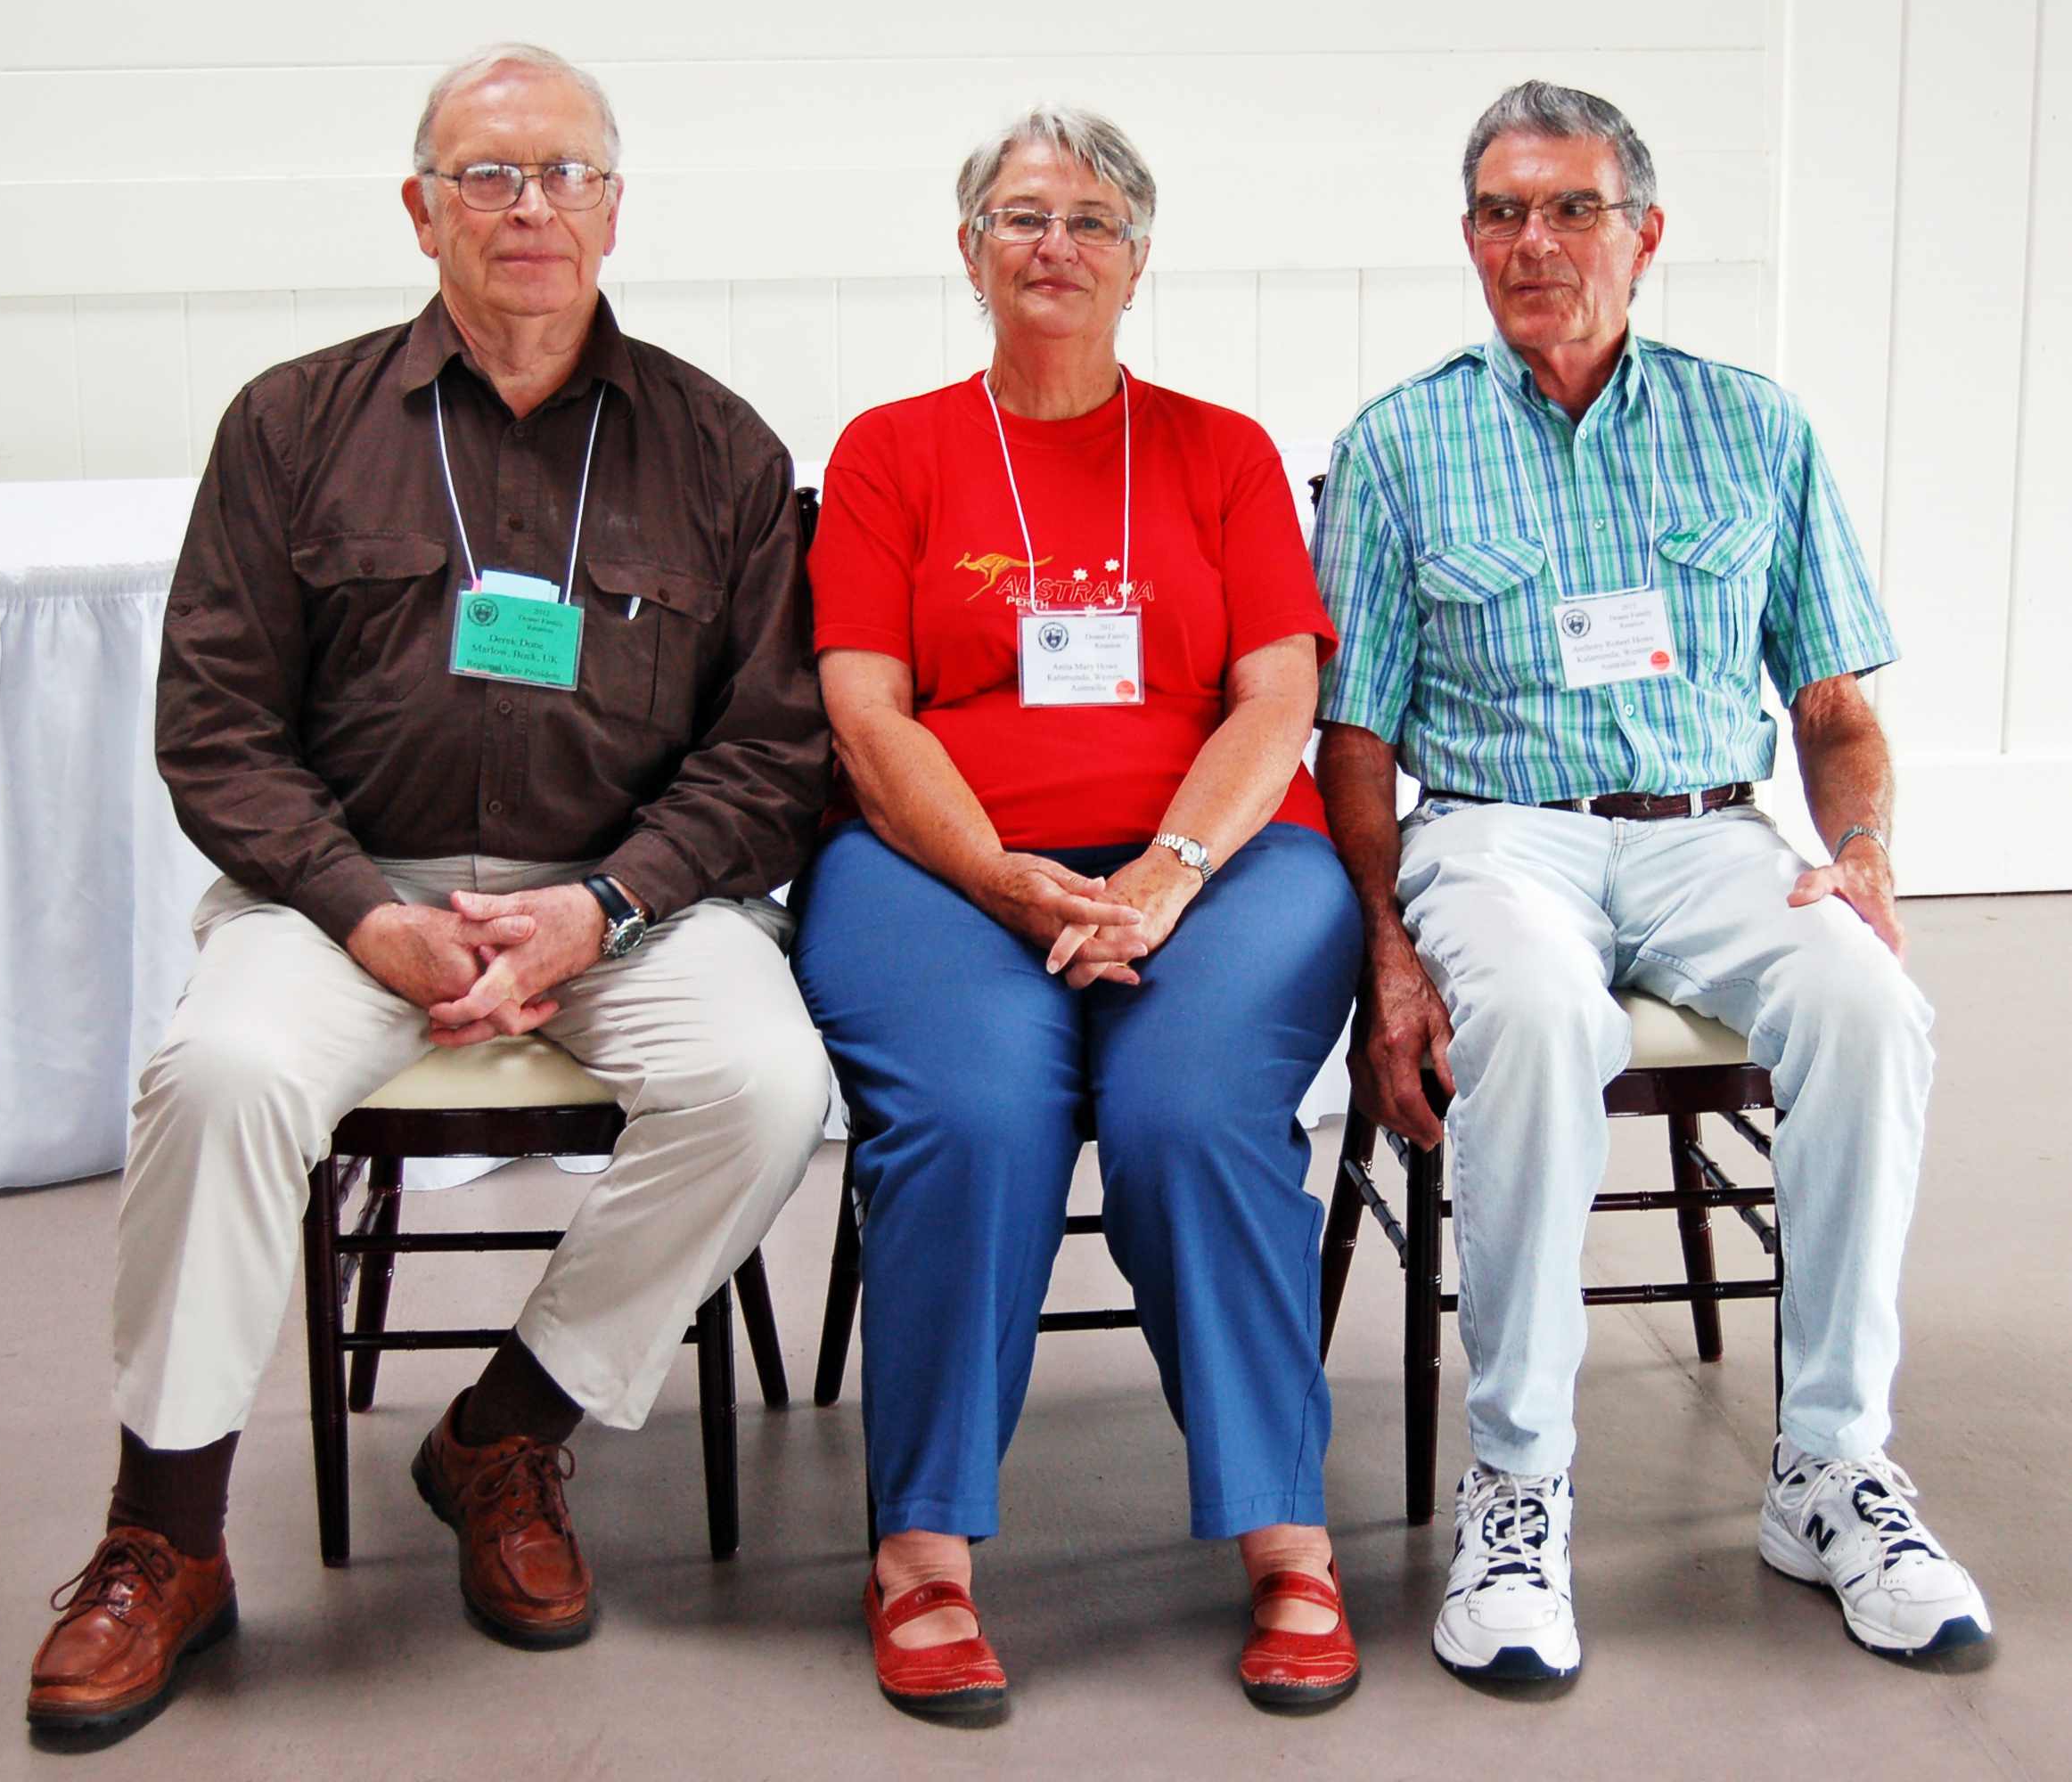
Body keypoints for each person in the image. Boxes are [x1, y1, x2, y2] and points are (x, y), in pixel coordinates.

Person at [26, 44, 832, 1731]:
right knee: (225, 1072)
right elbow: (218, 729)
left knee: (768, 1084)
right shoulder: (294, 422)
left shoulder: (719, 446)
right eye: (489, 174)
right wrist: (365, 915)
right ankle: (163, 1539)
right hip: (348, 890)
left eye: (566, 175)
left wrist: (594, 911)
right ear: (420, 210)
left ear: (616, 208)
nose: (531, 206)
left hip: (623, 902)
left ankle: (507, 1434)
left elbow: (768, 755)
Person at [1314, 79, 1991, 1684]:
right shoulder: (1401, 441)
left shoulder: (1753, 424)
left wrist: (1866, 854)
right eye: (1500, 210)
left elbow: (1832, 706)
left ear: (1647, 233)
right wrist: (1387, 946)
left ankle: (1831, 1472)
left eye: (1571, 208)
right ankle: (1518, 1485)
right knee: (1542, 1023)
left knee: (1869, 1006)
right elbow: (1355, 739)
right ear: (1469, 236)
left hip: (1707, 829)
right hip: (1492, 828)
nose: (1532, 241)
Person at [791, 106, 1364, 1721]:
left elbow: (1278, 699)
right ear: (969, 250)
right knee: (970, 1116)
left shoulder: (1222, 451)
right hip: (936, 867)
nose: (1057, 244)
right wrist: (995, 872)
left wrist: (1167, 875)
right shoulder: (894, 450)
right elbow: (865, 712)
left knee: (1192, 1115)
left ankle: (1284, 1532)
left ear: (1139, 258)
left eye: (1093, 219)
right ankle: (922, 1556)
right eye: (1023, 216)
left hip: (1224, 864)